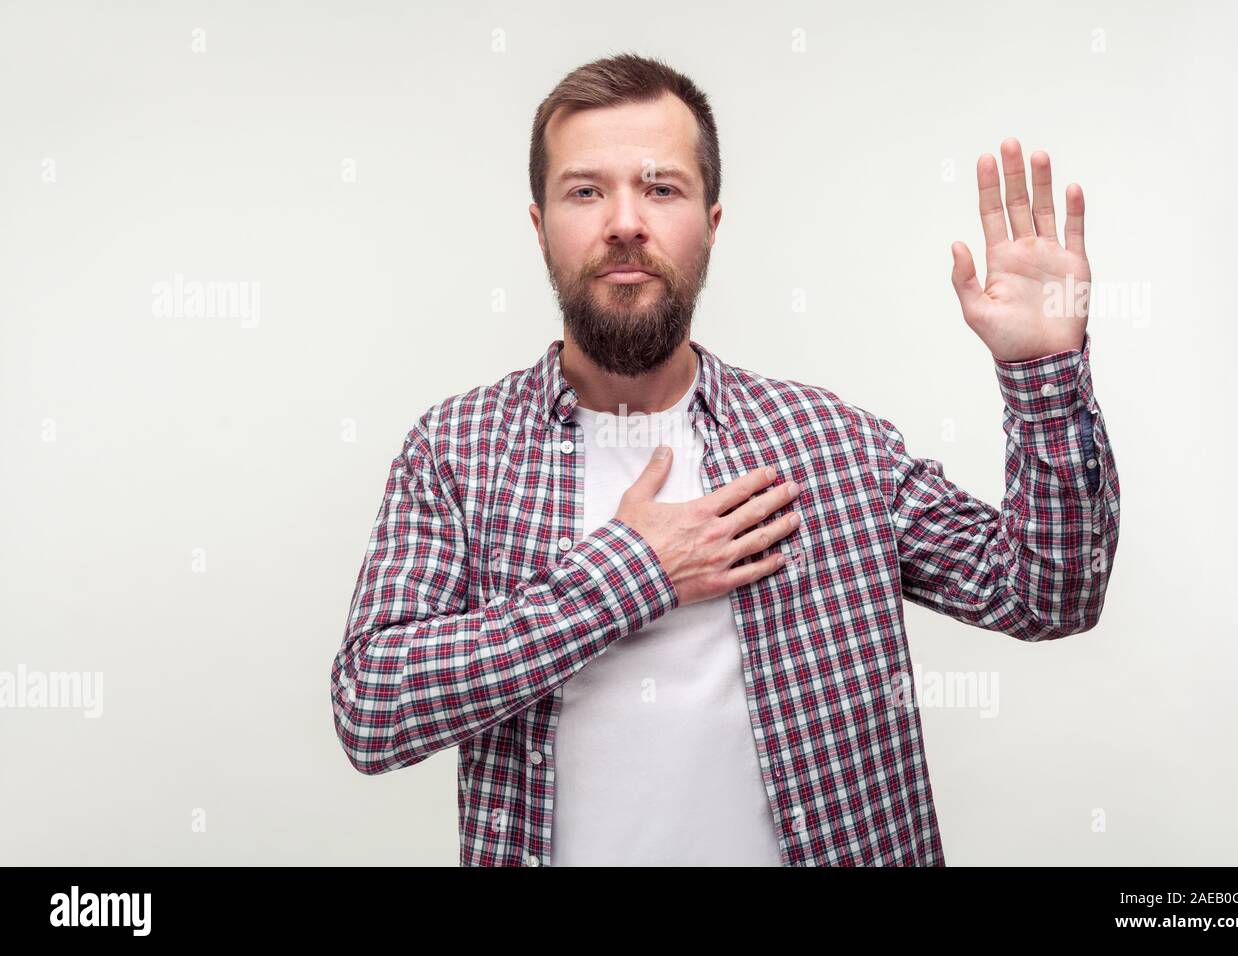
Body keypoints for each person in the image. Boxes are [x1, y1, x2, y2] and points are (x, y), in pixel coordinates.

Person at [329, 53, 1120, 867]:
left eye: (661, 188)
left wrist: (1042, 375)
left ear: (711, 220)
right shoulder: (458, 451)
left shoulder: (830, 444)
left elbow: (1050, 593)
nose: (625, 221)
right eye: (586, 190)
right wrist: (629, 574)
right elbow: (370, 710)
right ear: (540, 225)